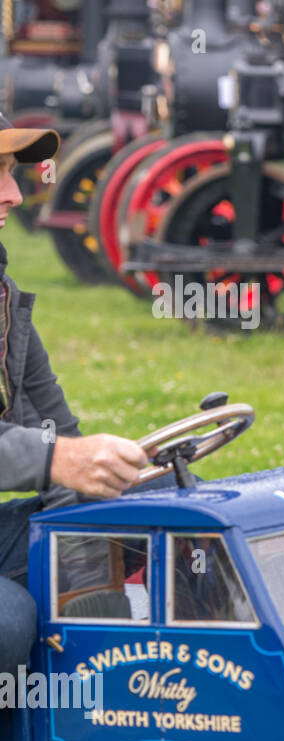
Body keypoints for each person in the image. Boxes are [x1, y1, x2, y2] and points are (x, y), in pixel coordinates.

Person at [0, 114, 150, 677]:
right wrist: (59, 461)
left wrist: (112, 496)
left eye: (13, 173)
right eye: (0, 174)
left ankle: (96, 732)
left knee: (171, 527)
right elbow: (58, 453)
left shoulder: (3, 297)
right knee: (6, 620)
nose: (15, 194)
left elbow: (58, 431)